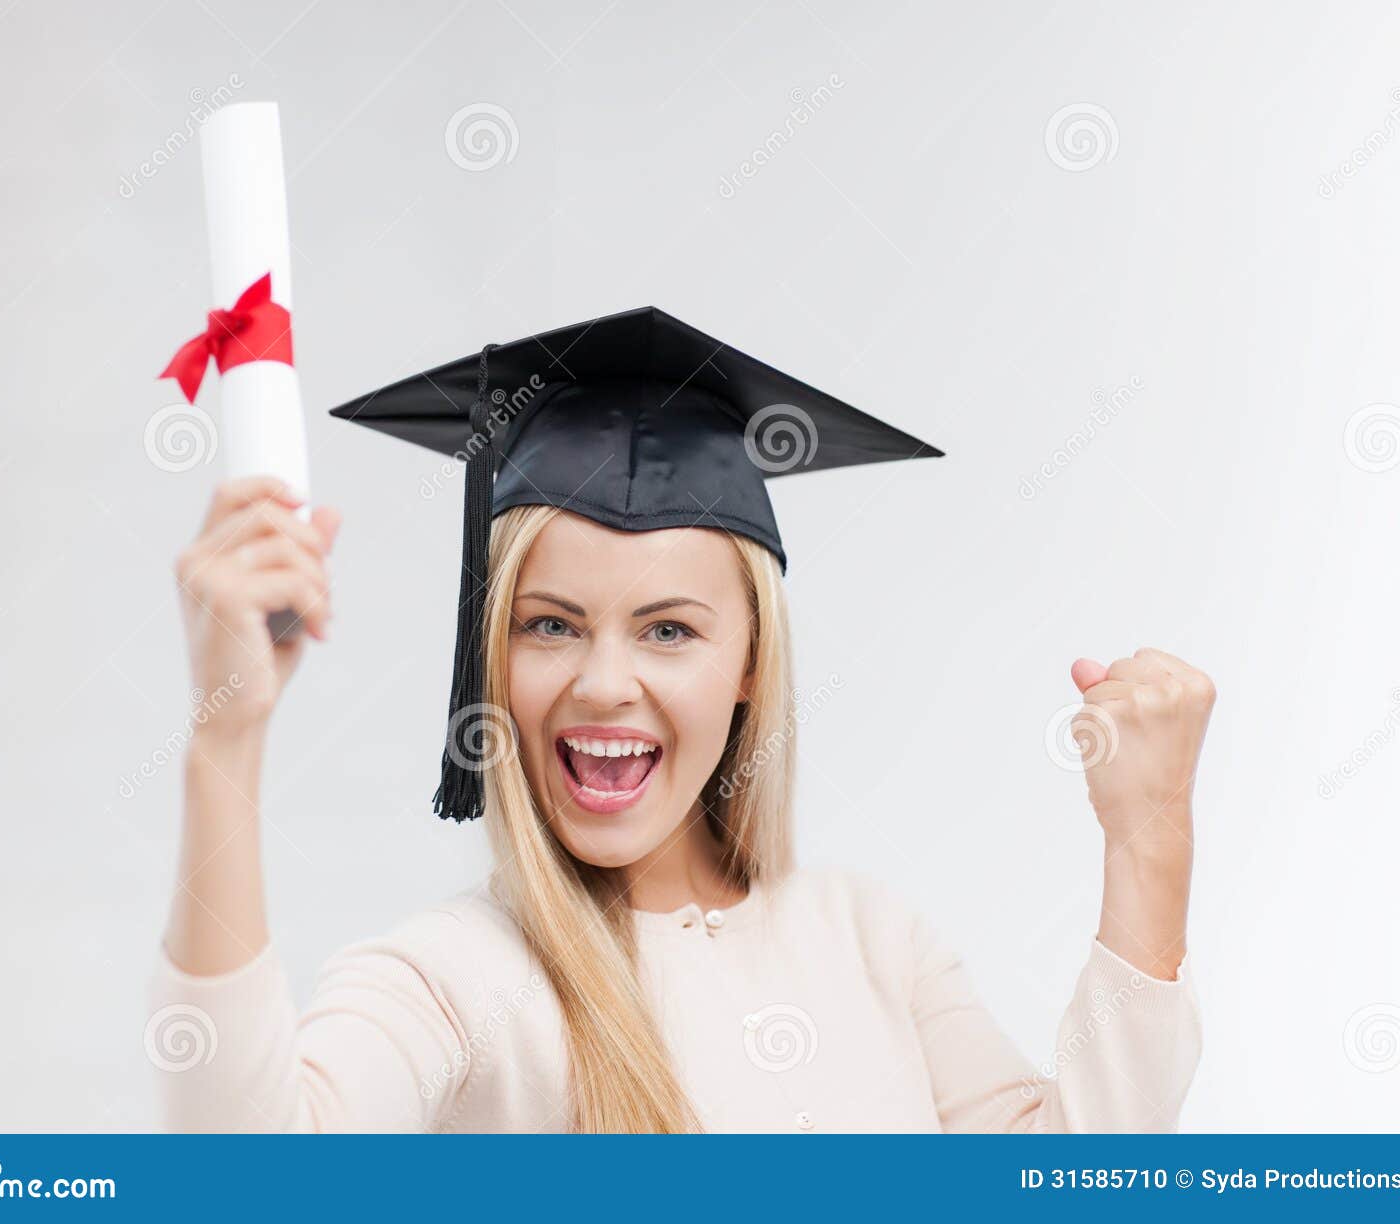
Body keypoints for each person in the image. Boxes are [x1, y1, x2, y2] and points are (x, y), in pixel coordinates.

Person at [148, 308, 1211, 1133]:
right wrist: (223, 742)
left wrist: (1149, 836)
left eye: (667, 631)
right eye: (551, 624)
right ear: (491, 653)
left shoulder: (872, 942)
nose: (604, 683)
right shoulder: (453, 978)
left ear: (751, 662)